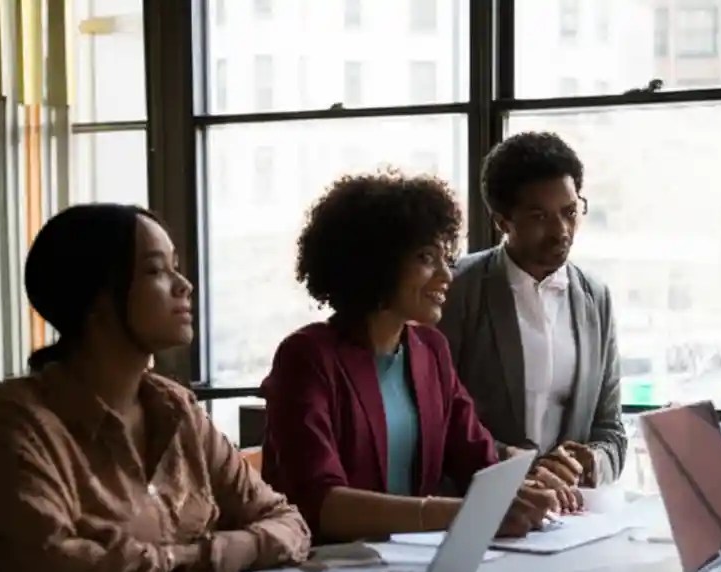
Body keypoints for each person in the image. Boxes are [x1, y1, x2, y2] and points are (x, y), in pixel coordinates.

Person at [0, 204, 311, 572]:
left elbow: (287, 521)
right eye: (155, 271)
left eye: (175, 269)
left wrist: (235, 547)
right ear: (97, 299)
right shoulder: (10, 422)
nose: (184, 286)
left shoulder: (175, 408)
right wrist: (210, 558)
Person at [261, 169, 560, 544]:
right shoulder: (306, 357)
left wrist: (529, 482)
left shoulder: (430, 350)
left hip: (408, 563)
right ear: (375, 262)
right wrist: (464, 513)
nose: (446, 276)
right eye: (426, 257)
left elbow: (477, 460)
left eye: (445, 258)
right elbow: (319, 504)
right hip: (322, 571)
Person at [439, 131, 626, 491]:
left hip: (568, 516)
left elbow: (611, 427)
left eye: (570, 212)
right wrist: (520, 468)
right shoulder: (457, 289)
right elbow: (437, 422)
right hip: (475, 510)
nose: (561, 231)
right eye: (540, 216)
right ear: (502, 222)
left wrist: (595, 461)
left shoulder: (596, 297)